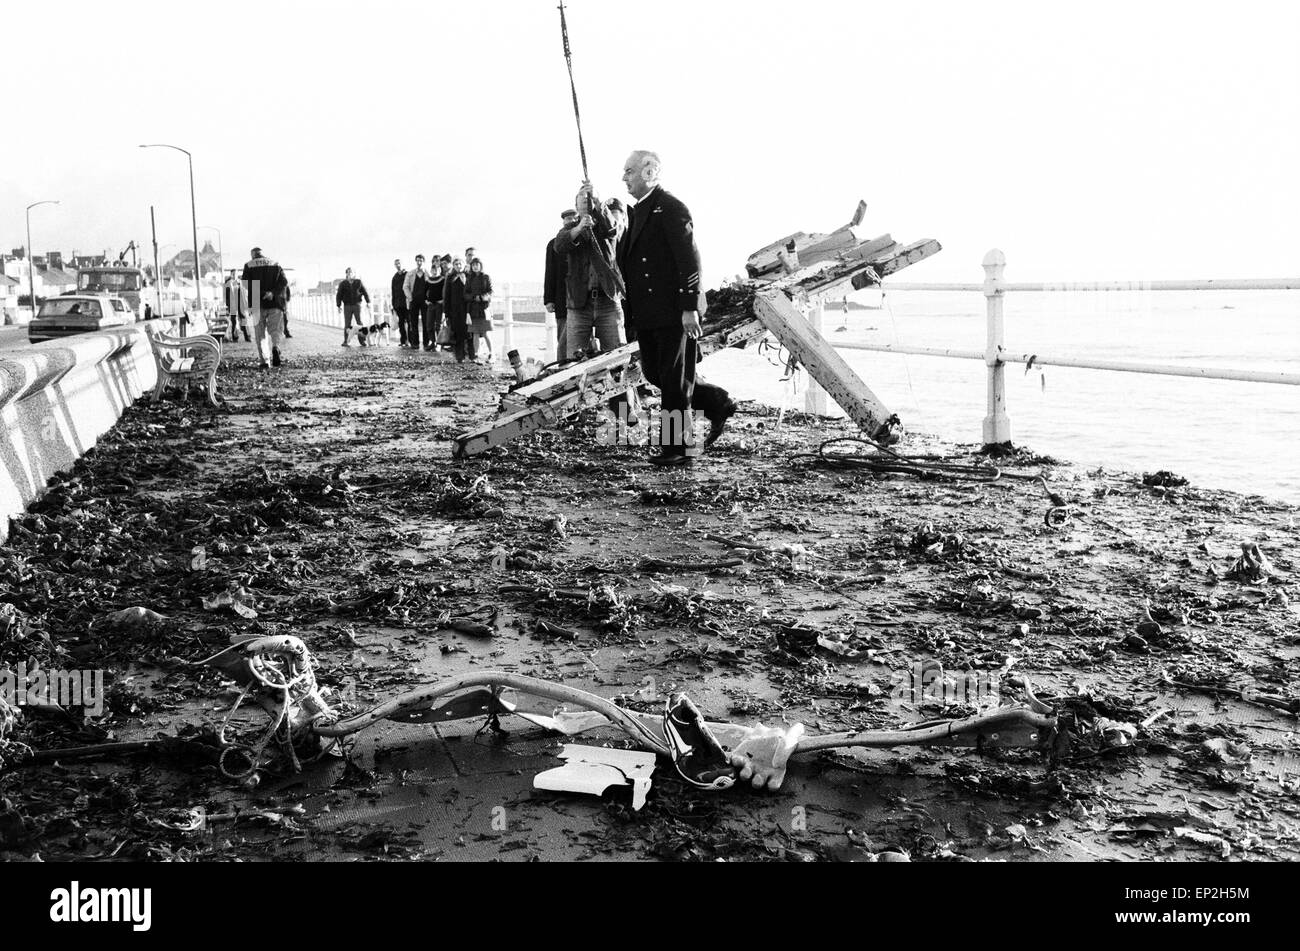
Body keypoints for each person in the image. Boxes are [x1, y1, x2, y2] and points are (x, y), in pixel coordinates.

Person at [617, 151, 736, 466]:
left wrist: (688, 308)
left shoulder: (670, 208)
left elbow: (689, 260)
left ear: (650, 171)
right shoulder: (638, 212)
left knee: (672, 380)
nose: (624, 177)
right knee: (656, 374)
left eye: (629, 171)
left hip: (672, 311)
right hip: (647, 313)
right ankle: (715, 401)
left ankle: (677, 448)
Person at [553, 184, 626, 360]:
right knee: (574, 359)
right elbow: (560, 245)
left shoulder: (605, 223)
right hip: (579, 304)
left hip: (608, 300)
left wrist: (599, 202)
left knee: (617, 355)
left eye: (588, 199)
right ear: (576, 206)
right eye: (581, 200)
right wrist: (579, 229)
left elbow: (613, 230)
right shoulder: (569, 229)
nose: (585, 201)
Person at [241, 246, 290, 369]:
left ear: (253, 255)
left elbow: (245, 283)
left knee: (260, 333)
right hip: (275, 303)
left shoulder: (249, 265)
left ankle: (264, 361)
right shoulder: (275, 264)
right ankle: (275, 347)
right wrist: (272, 293)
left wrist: (262, 293)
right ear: (263, 254)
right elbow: (284, 282)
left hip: (257, 304)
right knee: (276, 330)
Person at [544, 209, 577, 362]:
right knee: (562, 335)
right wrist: (549, 299)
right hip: (561, 296)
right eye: (567, 218)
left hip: (581, 297)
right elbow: (550, 271)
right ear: (563, 221)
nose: (570, 221)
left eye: (573, 218)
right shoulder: (553, 244)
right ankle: (562, 365)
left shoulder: (583, 239)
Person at [442, 257, 473, 363]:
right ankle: (459, 356)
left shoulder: (468, 276)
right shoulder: (450, 277)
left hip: (467, 309)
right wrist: (446, 312)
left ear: (463, 265)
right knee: (457, 334)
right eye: (456, 264)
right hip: (454, 310)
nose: (458, 266)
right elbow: (446, 296)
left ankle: (472, 355)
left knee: (469, 334)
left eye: (460, 264)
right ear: (453, 266)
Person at [465, 257, 494, 362]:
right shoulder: (469, 279)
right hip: (473, 309)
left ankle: (492, 354)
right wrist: (473, 297)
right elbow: (465, 294)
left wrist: (482, 297)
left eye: (477, 264)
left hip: (484, 308)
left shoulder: (486, 277)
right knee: (475, 333)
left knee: (486, 333)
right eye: (473, 265)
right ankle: (476, 355)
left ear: (481, 265)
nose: (475, 267)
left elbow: (490, 292)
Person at [335, 267, 371, 346]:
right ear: (346, 274)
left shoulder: (359, 282)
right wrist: (338, 305)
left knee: (360, 323)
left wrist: (368, 302)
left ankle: (362, 341)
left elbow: (365, 292)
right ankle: (346, 341)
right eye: (348, 272)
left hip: (357, 305)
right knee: (347, 324)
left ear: (354, 274)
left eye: (351, 272)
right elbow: (339, 295)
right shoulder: (343, 284)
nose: (349, 274)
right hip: (347, 306)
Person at [402, 254, 431, 350]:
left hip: (425, 301)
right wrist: (410, 298)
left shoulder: (428, 273)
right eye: (417, 260)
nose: (419, 262)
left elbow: (432, 286)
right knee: (413, 323)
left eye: (421, 260)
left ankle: (426, 343)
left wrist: (429, 298)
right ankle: (415, 343)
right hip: (413, 301)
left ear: (424, 261)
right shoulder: (410, 274)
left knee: (426, 322)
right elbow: (405, 286)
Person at [424, 256, 446, 351]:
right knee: (429, 325)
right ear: (431, 270)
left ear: (439, 270)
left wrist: (443, 300)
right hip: (431, 305)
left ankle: (439, 344)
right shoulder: (428, 280)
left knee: (438, 325)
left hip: (439, 305)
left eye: (437, 269)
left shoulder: (442, 279)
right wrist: (426, 300)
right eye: (433, 269)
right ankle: (432, 342)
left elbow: (445, 291)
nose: (435, 271)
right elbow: (424, 291)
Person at [223, 269, 251, 342]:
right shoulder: (228, 283)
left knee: (244, 320)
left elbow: (246, 293)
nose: (234, 275)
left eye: (235, 273)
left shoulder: (241, 282)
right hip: (232, 305)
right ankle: (235, 337)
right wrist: (228, 305)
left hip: (241, 304)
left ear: (237, 274)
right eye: (233, 274)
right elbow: (225, 296)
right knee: (234, 321)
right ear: (231, 274)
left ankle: (247, 337)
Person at [390, 259, 409, 346]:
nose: (398, 265)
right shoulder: (394, 277)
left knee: (410, 322)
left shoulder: (407, 274)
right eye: (396, 264)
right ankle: (403, 341)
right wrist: (393, 304)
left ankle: (412, 341)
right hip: (398, 303)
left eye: (399, 263)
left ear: (402, 264)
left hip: (407, 302)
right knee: (401, 323)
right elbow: (393, 291)